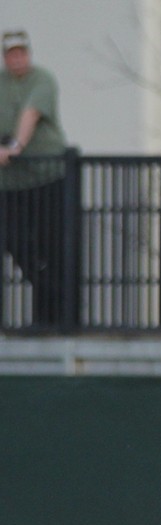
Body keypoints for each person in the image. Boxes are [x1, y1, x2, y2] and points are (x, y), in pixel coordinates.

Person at [0, 29, 70, 327]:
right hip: (10, 184)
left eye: (21, 53)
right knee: (16, 242)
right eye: (11, 54)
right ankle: (45, 298)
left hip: (47, 179)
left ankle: (53, 318)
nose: (17, 59)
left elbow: (30, 114)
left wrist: (15, 147)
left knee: (51, 247)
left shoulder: (42, 79)